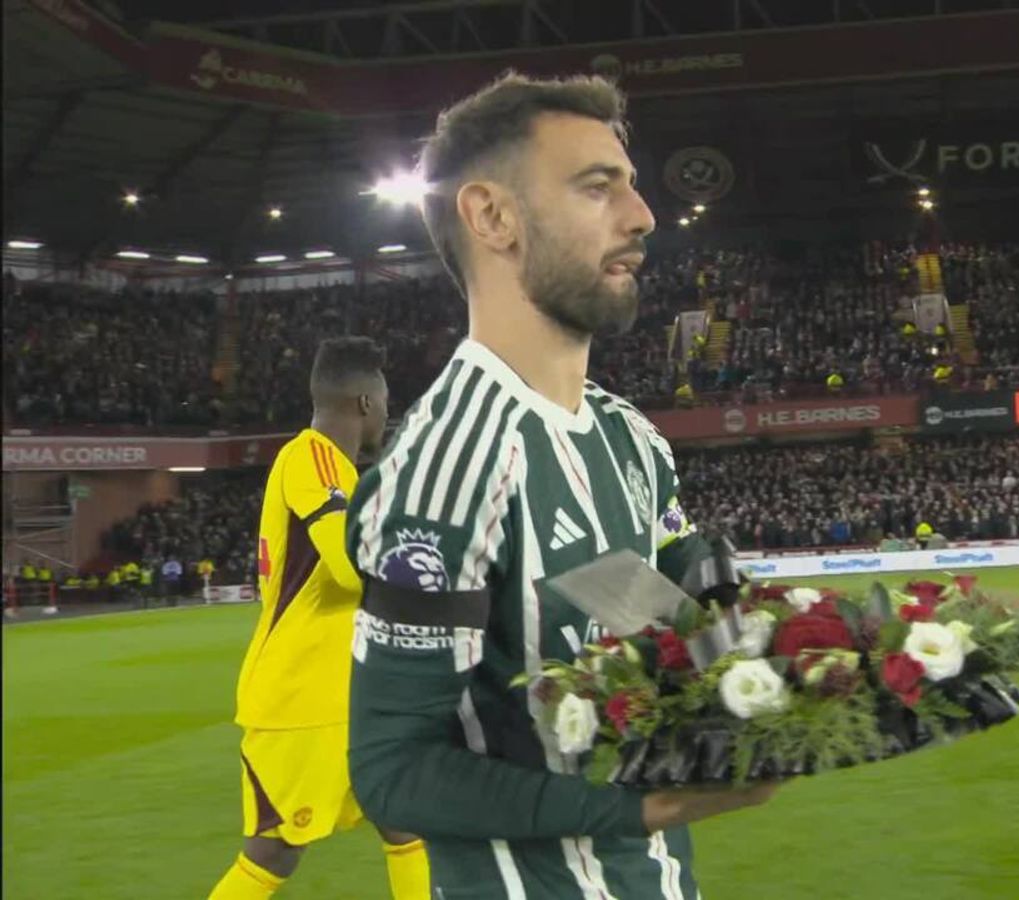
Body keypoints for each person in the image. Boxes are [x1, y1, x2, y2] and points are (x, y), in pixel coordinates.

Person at [345, 73, 776, 900]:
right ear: (493, 217)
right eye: (596, 187)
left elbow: (625, 609)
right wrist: (640, 805)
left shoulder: (627, 438)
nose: (642, 216)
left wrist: (748, 640)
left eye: (632, 185)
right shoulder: (446, 467)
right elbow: (392, 773)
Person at [208, 337, 429, 900]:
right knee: (274, 853)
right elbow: (351, 569)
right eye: (383, 401)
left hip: (346, 696)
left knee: (408, 823)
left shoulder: (345, 475)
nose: (386, 413)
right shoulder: (309, 456)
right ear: (363, 403)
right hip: (301, 701)